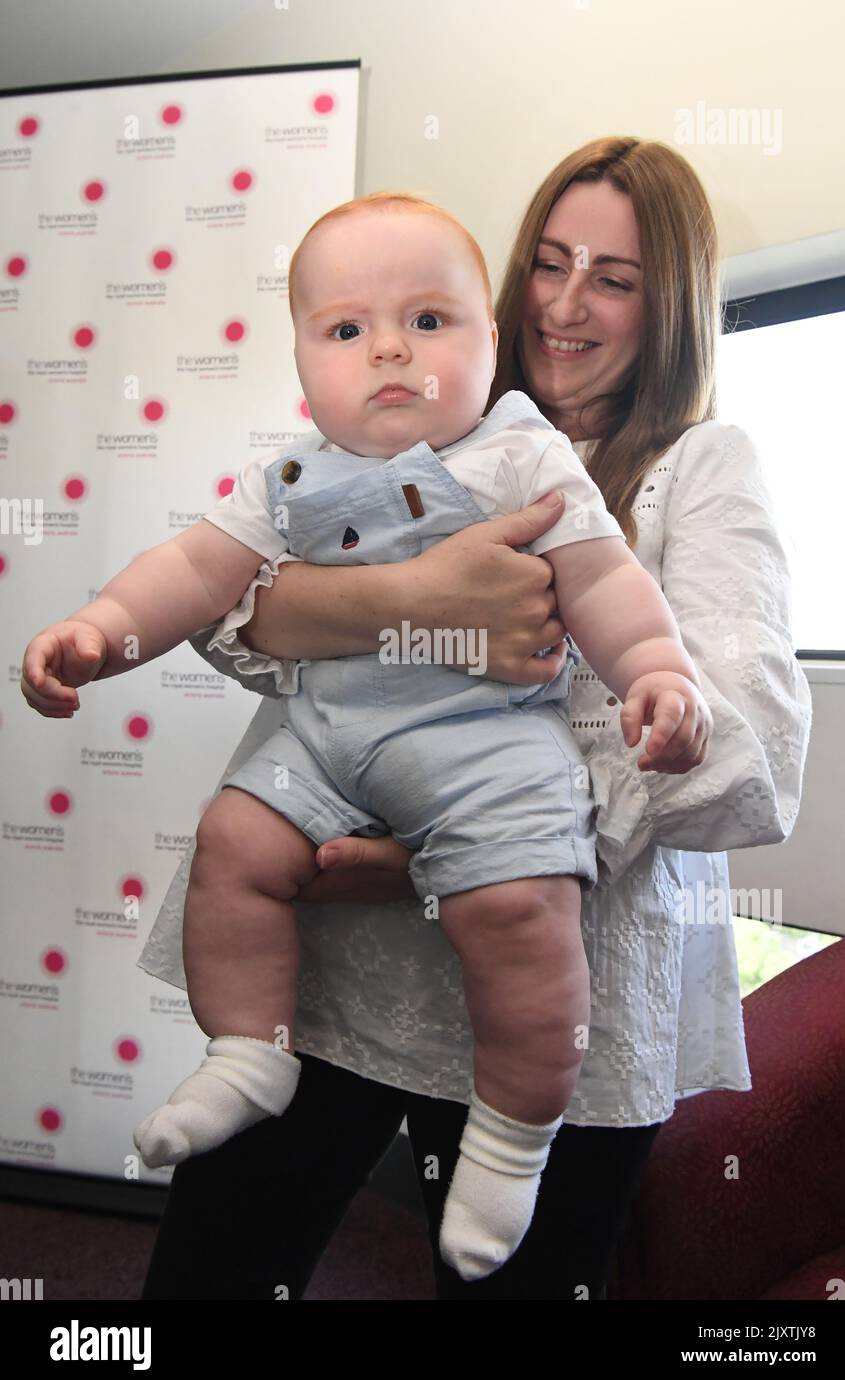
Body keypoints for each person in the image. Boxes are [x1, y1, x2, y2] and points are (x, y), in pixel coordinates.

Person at [139, 136, 810, 1301]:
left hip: (562, 973)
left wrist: (446, 850)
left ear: (671, 306)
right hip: (340, 969)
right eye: (547, 261)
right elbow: (223, 615)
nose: (562, 301)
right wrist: (410, 604)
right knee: (213, 1267)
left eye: (612, 276)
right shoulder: (393, 427)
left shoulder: (700, 464)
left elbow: (744, 745)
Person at [19, 190, 714, 1282]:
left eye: (428, 321)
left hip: (484, 746)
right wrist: (102, 626)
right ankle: (248, 1049)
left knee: (522, 903)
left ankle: (511, 1131)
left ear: (490, 346)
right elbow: (199, 575)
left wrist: (657, 671)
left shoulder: (522, 455)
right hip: (330, 734)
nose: (389, 347)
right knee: (235, 842)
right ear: (303, 364)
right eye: (347, 330)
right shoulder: (291, 473)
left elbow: (603, 581)